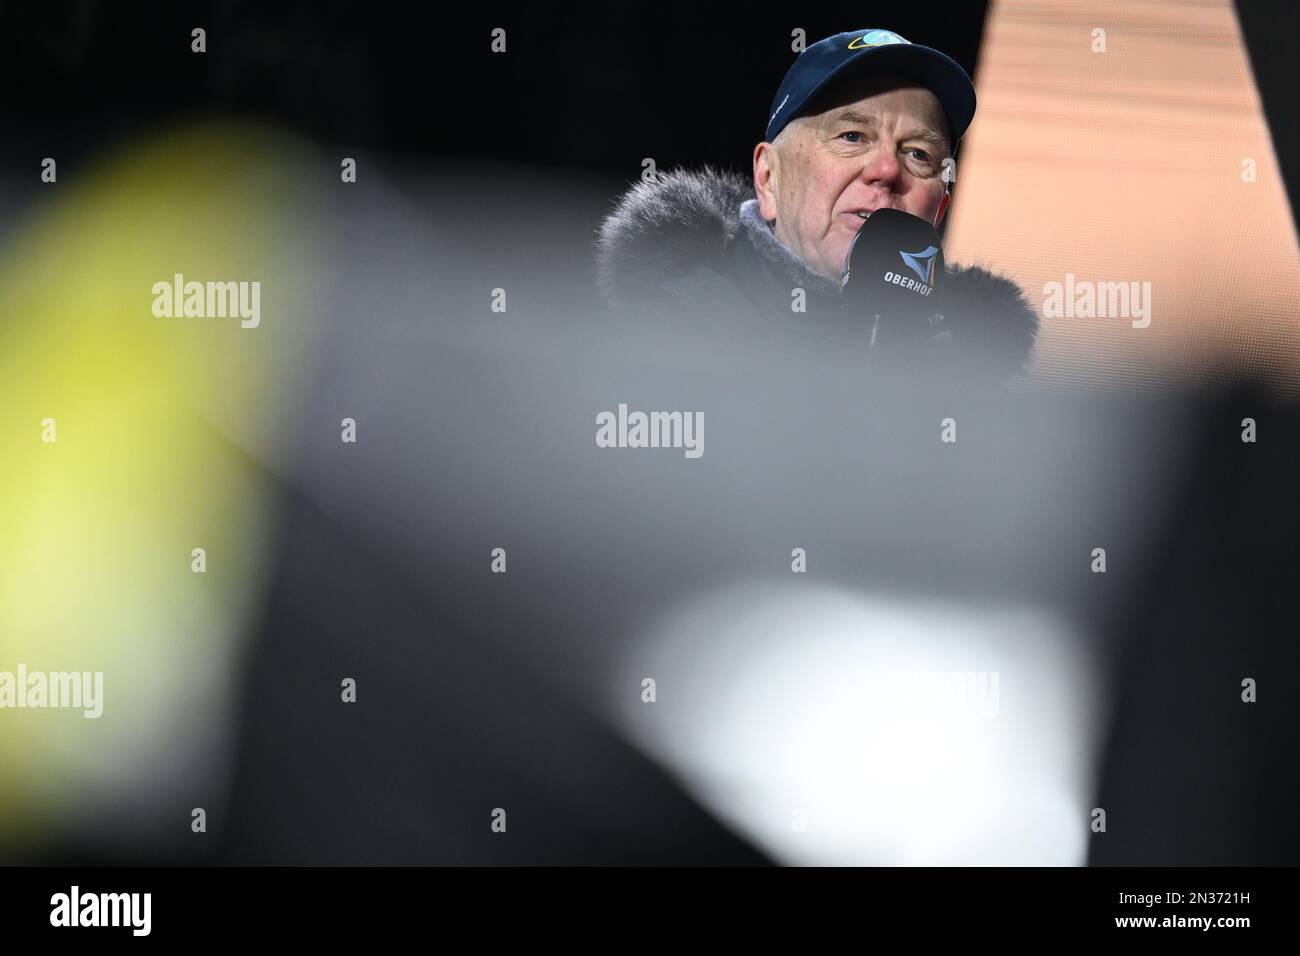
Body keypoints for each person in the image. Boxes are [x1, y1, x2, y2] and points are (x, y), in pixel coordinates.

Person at [595, 28, 1038, 379]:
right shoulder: (642, 343)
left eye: (917, 153)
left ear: (938, 212)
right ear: (768, 180)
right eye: (852, 136)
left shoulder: (969, 396)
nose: (886, 169)